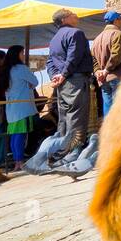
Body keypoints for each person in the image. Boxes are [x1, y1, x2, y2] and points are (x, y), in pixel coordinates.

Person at [47, 9, 94, 152]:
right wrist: (64, 74)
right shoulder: (76, 33)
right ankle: (74, 152)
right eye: (71, 13)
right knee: (77, 116)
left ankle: (61, 150)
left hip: (62, 84)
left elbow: (50, 62)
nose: (75, 15)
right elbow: (74, 56)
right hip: (76, 81)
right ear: (64, 19)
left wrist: (55, 76)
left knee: (64, 117)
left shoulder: (54, 39)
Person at [3, 46, 39, 170]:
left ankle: (16, 160)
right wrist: (29, 85)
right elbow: (34, 81)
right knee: (20, 135)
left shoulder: (7, 70)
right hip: (22, 108)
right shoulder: (21, 69)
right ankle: (19, 162)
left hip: (11, 108)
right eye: (22, 53)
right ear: (17, 54)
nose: (23, 55)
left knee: (14, 135)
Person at [91, 11, 121, 117]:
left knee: (108, 108)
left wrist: (98, 72)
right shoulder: (118, 34)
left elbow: (93, 60)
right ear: (115, 20)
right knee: (120, 108)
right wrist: (106, 70)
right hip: (117, 76)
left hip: (103, 80)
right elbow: (116, 55)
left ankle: (108, 133)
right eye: (120, 19)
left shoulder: (96, 39)